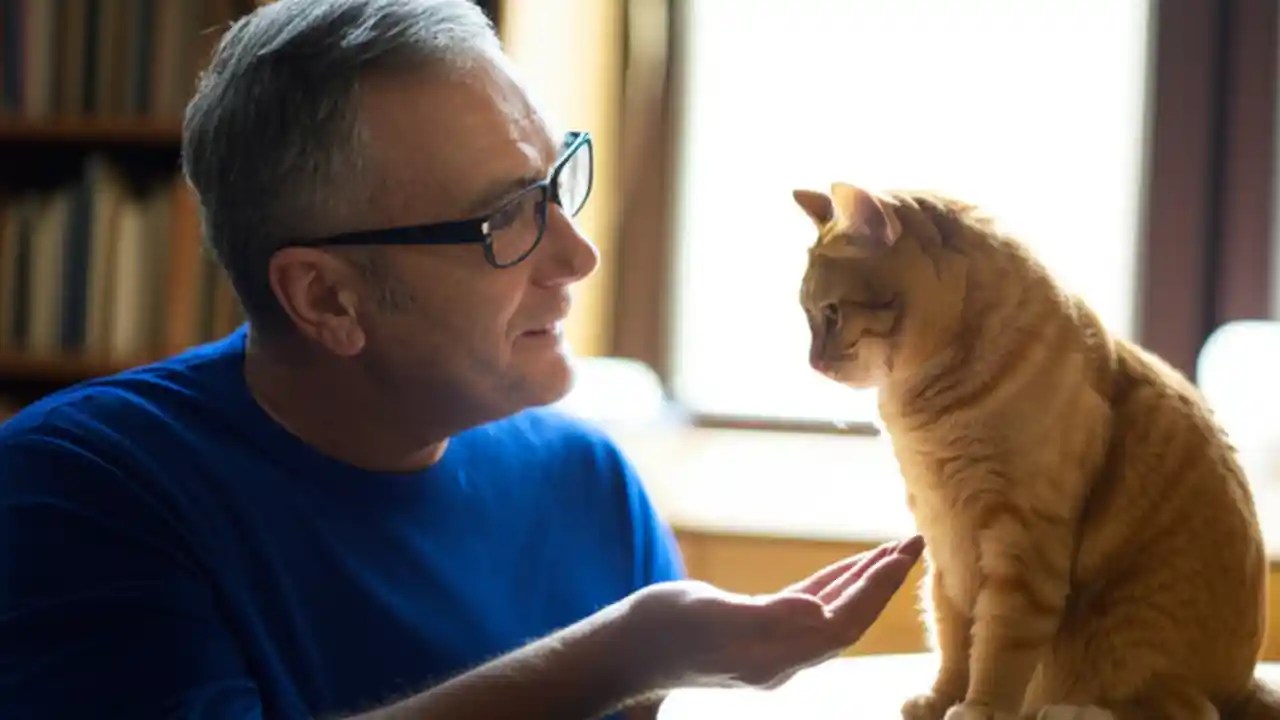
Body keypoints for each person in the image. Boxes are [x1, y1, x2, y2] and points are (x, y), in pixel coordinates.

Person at [0, 1, 923, 718]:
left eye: (555, 182)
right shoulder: (79, 491)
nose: (577, 256)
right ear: (327, 299)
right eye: (504, 219)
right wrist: (624, 655)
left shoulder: (584, 477)